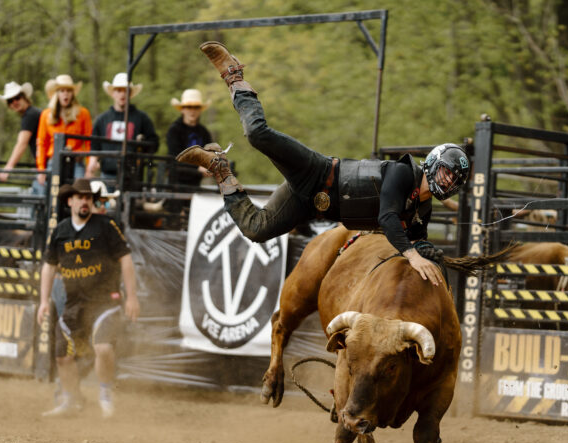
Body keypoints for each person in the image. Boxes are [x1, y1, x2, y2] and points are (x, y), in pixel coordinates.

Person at [177, 42, 470, 286]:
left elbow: (417, 241)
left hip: (312, 205)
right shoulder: (403, 172)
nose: (447, 182)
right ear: (433, 162)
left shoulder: (422, 210)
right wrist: (412, 254)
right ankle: (235, 77)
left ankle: (220, 168)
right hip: (318, 172)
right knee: (257, 134)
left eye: (453, 181)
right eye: (446, 173)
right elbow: (388, 219)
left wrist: (427, 256)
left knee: (256, 229)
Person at [38, 178, 139, 418]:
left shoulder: (105, 225)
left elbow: (125, 259)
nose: (85, 202)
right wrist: (43, 300)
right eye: (81, 197)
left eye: (89, 198)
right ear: (70, 201)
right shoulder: (61, 230)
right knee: (63, 356)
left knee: (103, 347)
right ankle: (72, 400)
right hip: (73, 304)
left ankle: (105, 394)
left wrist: (132, 297)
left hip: (105, 301)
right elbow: (49, 266)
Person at [86, 73, 159, 186]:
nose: (122, 94)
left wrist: (141, 149)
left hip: (132, 176)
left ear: (131, 93)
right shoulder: (102, 120)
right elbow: (95, 146)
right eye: (119, 90)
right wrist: (91, 167)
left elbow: (154, 143)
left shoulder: (141, 118)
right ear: (113, 93)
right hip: (107, 174)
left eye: (125, 90)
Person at [35, 75, 92, 189]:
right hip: (54, 162)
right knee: (51, 194)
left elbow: (89, 142)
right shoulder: (46, 115)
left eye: (69, 91)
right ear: (56, 94)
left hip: (76, 162)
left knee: (79, 191)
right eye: (62, 91)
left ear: (73, 93)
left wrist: (89, 168)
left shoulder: (83, 113)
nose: (65, 94)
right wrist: (41, 169)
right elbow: (41, 143)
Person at [167, 88, 214, 187]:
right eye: (189, 107)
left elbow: (210, 154)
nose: (192, 111)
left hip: (196, 183)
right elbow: (176, 156)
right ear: (182, 109)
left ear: (200, 110)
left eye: (196, 107)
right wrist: (197, 168)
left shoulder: (204, 132)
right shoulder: (174, 130)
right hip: (176, 184)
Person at [0, 81, 41, 180]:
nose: (14, 102)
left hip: (48, 164)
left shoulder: (30, 115)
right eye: (10, 101)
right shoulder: (33, 113)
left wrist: (8, 168)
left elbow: (22, 143)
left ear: (24, 97)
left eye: (17, 98)